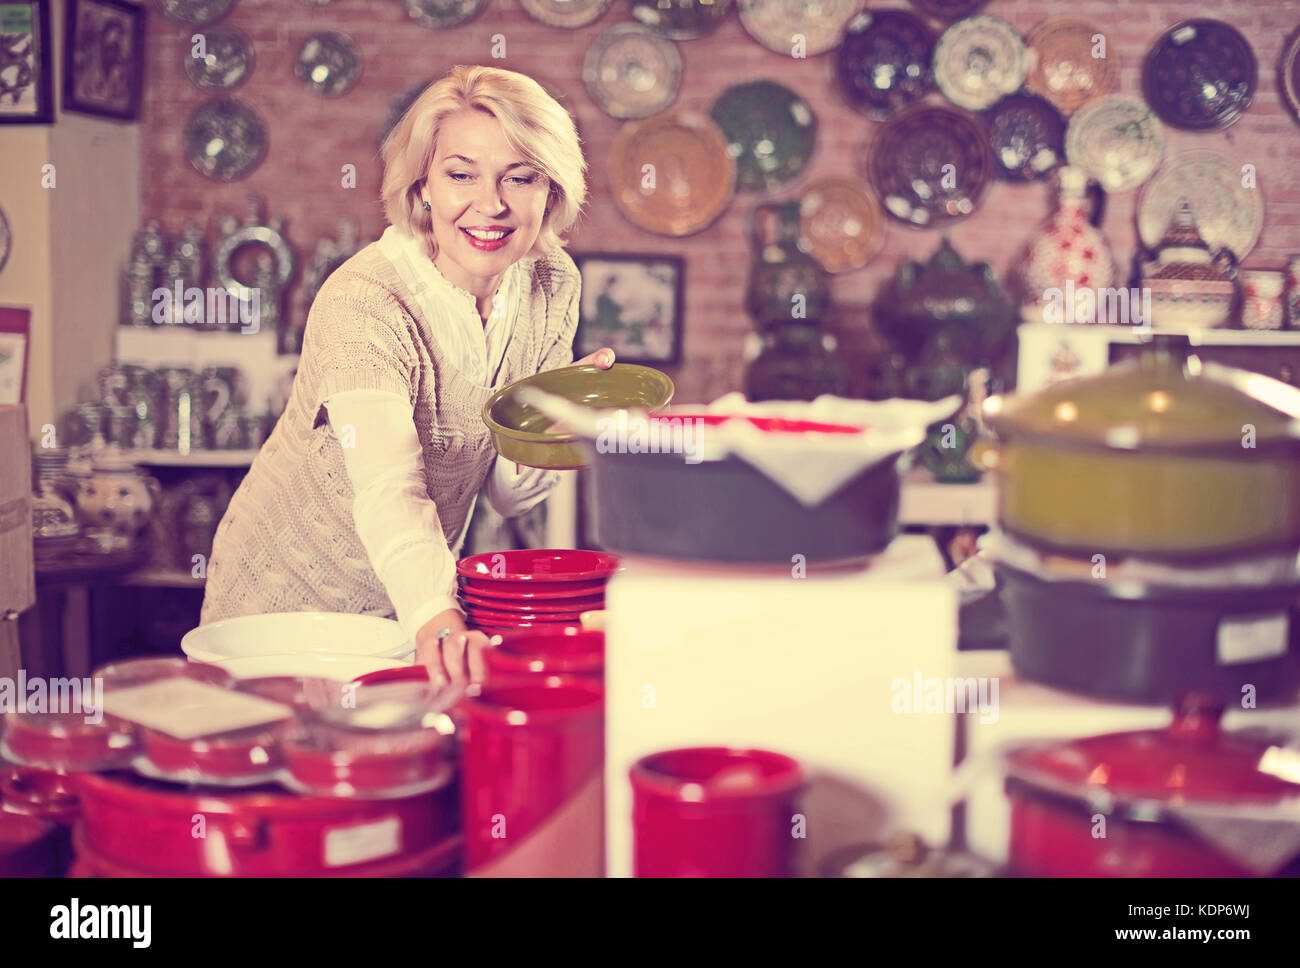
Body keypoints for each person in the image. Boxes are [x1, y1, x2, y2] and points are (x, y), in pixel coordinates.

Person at [200, 64, 614, 684]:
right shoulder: (366, 301)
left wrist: (561, 421)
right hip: (285, 611)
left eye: (519, 176)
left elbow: (505, 490)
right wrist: (438, 617)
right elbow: (389, 485)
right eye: (461, 175)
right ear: (423, 186)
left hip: (415, 607)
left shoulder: (551, 283)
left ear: (551, 191)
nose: (492, 204)